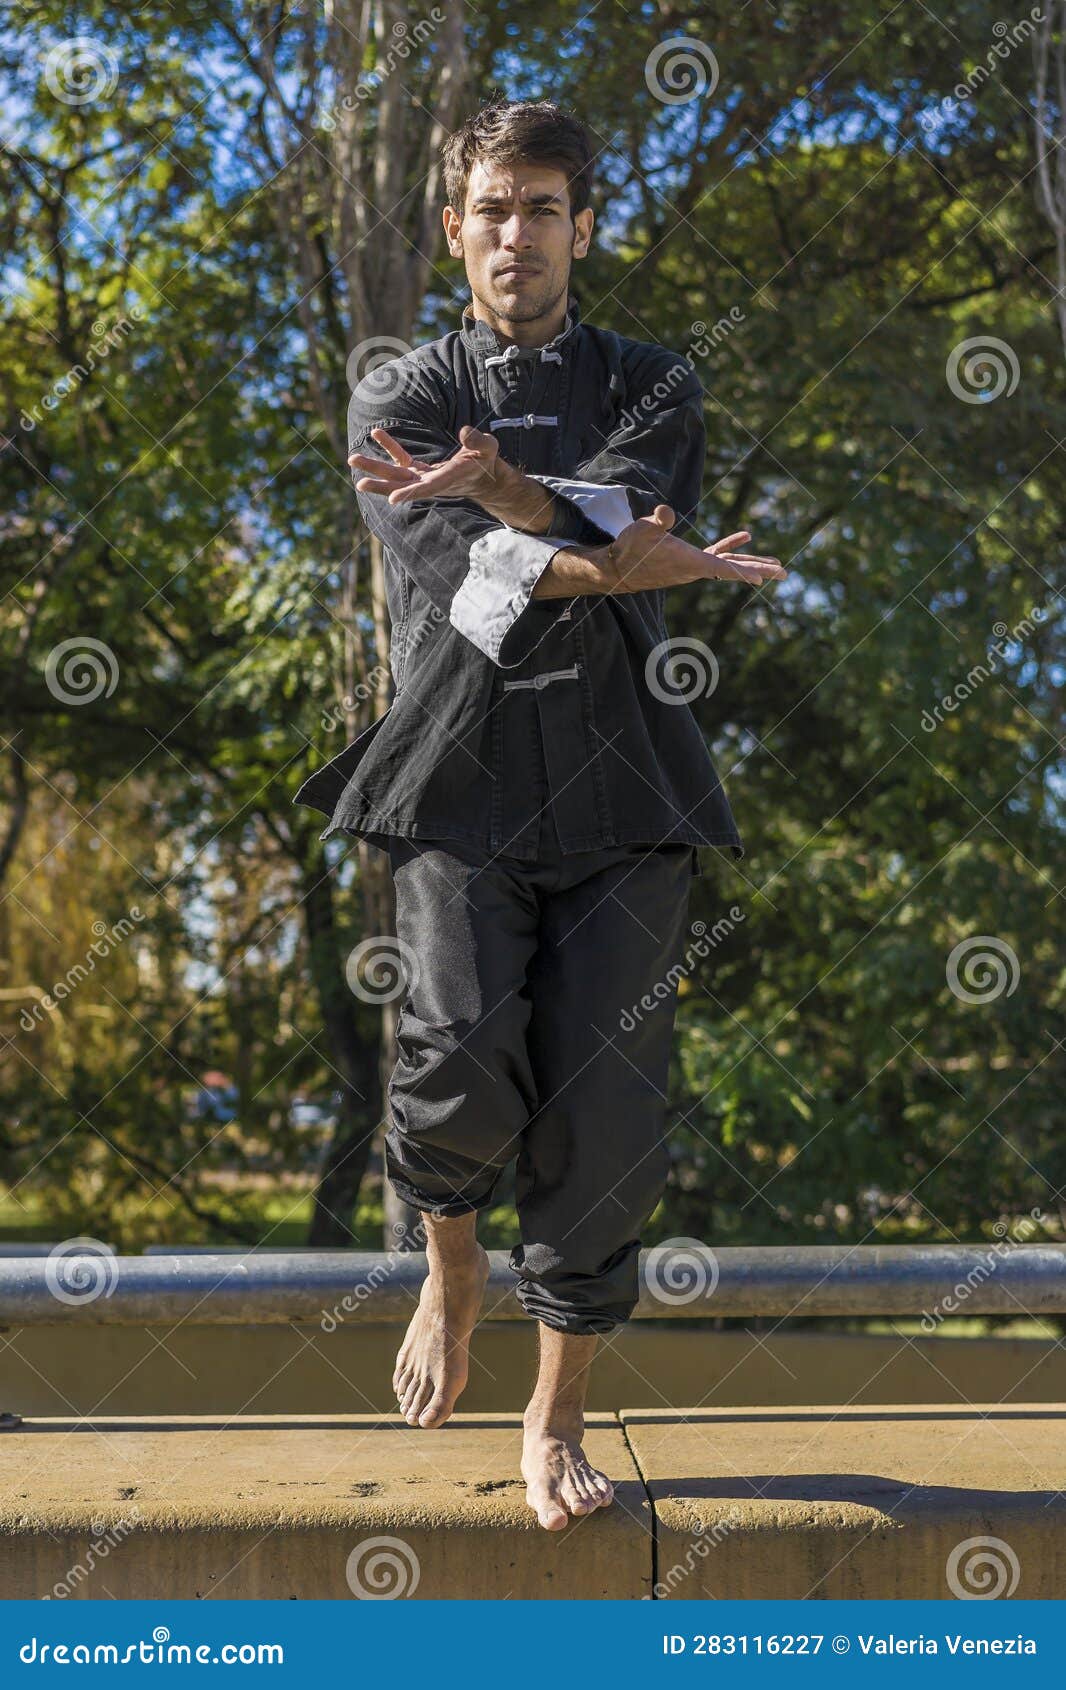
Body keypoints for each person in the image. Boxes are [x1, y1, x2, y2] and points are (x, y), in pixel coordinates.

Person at [293, 97, 784, 1532]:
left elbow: (624, 541)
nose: (517, 233)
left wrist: (529, 503)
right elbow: (492, 589)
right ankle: (451, 1272)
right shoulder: (396, 395)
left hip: (627, 789)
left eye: (544, 207)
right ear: (454, 228)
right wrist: (557, 530)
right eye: (492, 209)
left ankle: (553, 1408)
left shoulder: (652, 384)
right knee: (450, 1068)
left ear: (583, 225)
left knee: (611, 1111)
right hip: (458, 782)